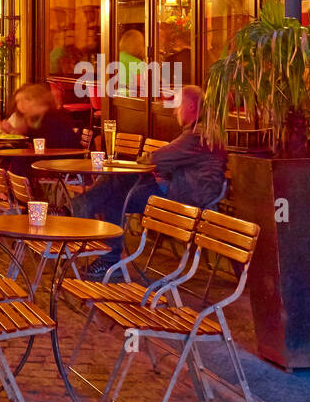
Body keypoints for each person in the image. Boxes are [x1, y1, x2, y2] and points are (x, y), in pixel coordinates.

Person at [73, 84, 226, 276]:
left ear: (191, 106)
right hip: (175, 187)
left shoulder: (198, 134)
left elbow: (157, 159)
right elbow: (168, 160)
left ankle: (86, 217)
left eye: (177, 105)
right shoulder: (199, 131)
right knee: (116, 183)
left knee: (115, 197)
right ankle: (86, 213)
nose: (174, 112)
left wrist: (147, 162)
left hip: (186, 197)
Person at [0, 81, 80, 148]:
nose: (22, 104)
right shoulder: (35, 119)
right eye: (18, 101)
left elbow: (46, 148)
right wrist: (12, 131)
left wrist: (13, 132)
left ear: (40, 100)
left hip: (62, 162)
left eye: (27, 100)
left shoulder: (52, 119)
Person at [117, 29, 147, 96]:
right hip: (130, 98)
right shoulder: (137, 63)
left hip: (115, 95)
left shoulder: (115, 57)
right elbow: (140, 88)